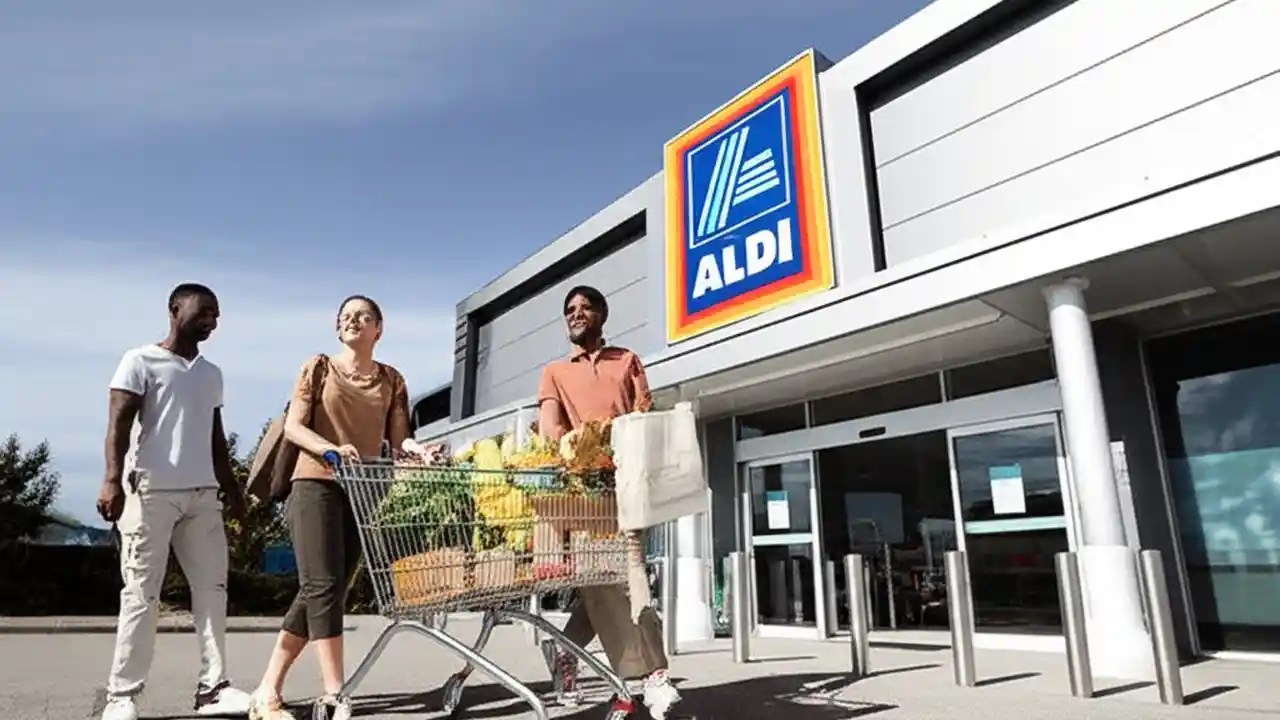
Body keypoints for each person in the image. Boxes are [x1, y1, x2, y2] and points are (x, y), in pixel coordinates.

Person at [249, 295, 411, 720]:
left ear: (379, 328)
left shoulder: (392, 379)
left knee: (325, 592)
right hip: (315, 481)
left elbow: (399, 440)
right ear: (338, 329)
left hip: (364, 490)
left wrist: (420, 451)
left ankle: (267, 690)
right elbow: (297, 427)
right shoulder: (318, 367)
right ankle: (335, 693)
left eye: (363, 316)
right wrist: (331, 450)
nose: (353, 321)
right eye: (346, 317)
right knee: (322, 586)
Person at [96, 283, 251, 720]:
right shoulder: (139, 361)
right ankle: (121, 696)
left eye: (217, 315)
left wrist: (232, 489)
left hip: (203, 496)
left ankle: (213, 688)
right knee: (141, 595)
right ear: (175, 308)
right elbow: (118, 426)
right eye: (205, 311)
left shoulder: (210, 373)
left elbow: (215, 437)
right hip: (151, 493)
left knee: (213, 590)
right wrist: (112, 480)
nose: (213, 321)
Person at [537, 285, 681, 720]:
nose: (577, 315)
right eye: (570, 311)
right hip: (584, 494)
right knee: (604, 586)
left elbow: (644, 415)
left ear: (602, 315)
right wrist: (571, 453)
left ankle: (579, 652)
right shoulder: (556, 372)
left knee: (626, 579)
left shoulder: (627, 360)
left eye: (585, 308)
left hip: (628, 488)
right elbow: (550, 430)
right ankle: (645, 673)